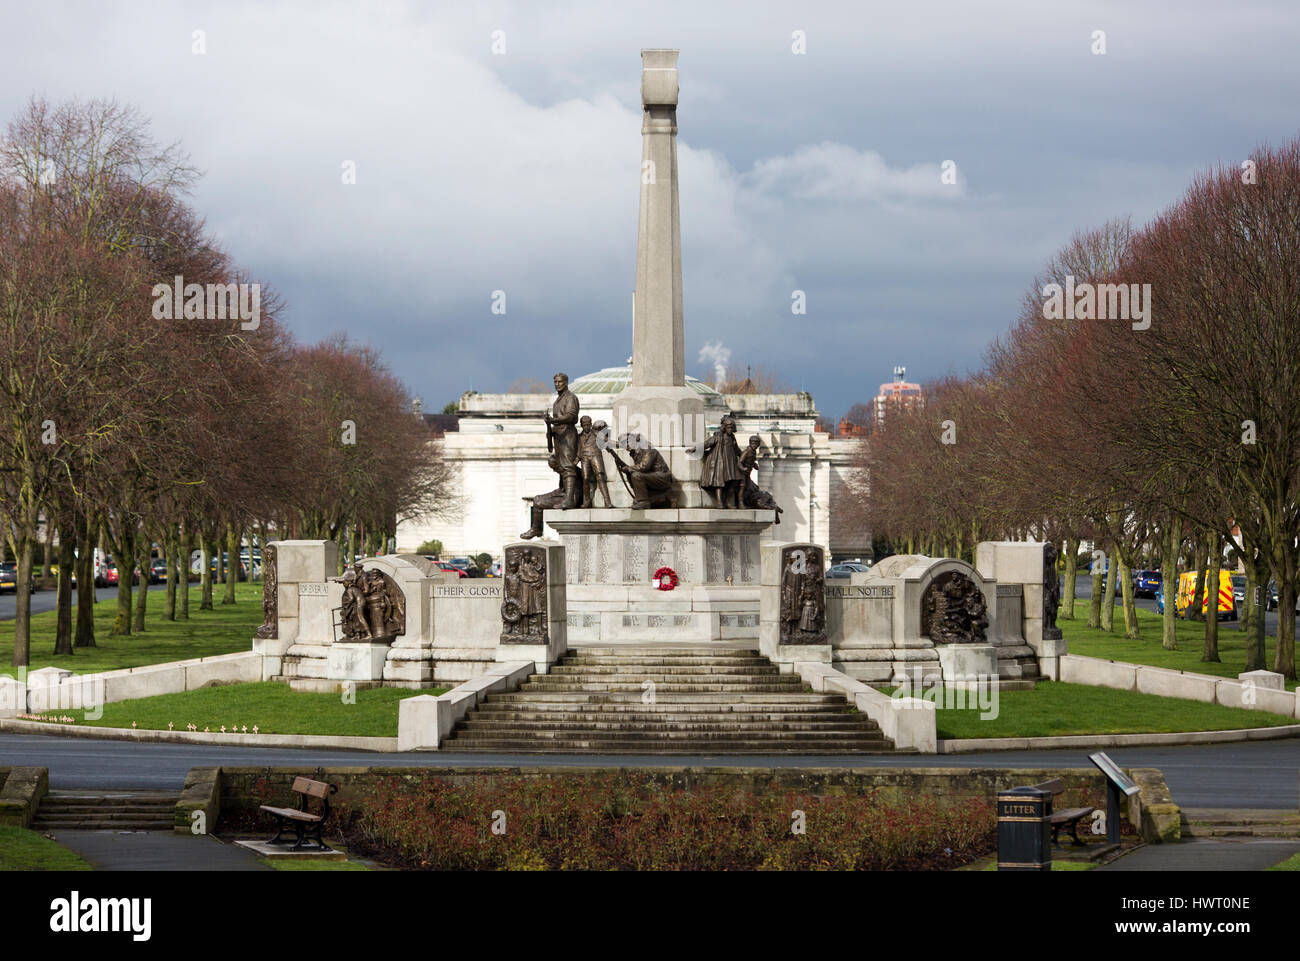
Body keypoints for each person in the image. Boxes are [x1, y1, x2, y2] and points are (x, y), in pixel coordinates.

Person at [544, 372, 581, 509]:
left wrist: (554, 420)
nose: (557, 384)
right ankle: (564, 491)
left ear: (566, 382)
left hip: (568, 435)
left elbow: (572, 416)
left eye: (560, 382)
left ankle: (570, 499)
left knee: (567, 465)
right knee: (558, 463)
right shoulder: (557, 401)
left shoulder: (571, 398)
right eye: (555, 382)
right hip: (559, 435)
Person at [615, 433, 674, 509]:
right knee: (631, 474)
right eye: (623, 444)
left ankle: (643, 501)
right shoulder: (635, 452)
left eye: (627, 442)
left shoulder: (646, 448)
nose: (626, 445)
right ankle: (645, 498)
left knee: (636, 475)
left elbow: (644, 467)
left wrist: (628, 468)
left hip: (663, 478)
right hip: (653, 476)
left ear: (634, 439)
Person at [699, 414, 742, 508]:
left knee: (735, 481)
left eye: (732, 427)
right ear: (724, 427)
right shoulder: (718, 436)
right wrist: (696, 449)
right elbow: (707, 444)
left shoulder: (732, 438)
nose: (730, 429)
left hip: (731, 462)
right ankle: (719, 502)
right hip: (720, 462)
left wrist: (743, 455)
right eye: (728, 427)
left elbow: (737, 449)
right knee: (719, 482)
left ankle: (727, 501)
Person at [577, 415, 613, 508]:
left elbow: (607, 441)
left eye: (588, 425)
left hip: (595, 455)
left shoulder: (596, 434)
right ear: (581, 425)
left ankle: (607, 501)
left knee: (600, 476)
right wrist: (576, 459)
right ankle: (587, 501)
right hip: (584, 457)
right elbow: (578, 450)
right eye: (584, 425)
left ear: (591, 424)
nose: (587, 427)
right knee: (585, 478)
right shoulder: (579, 437)